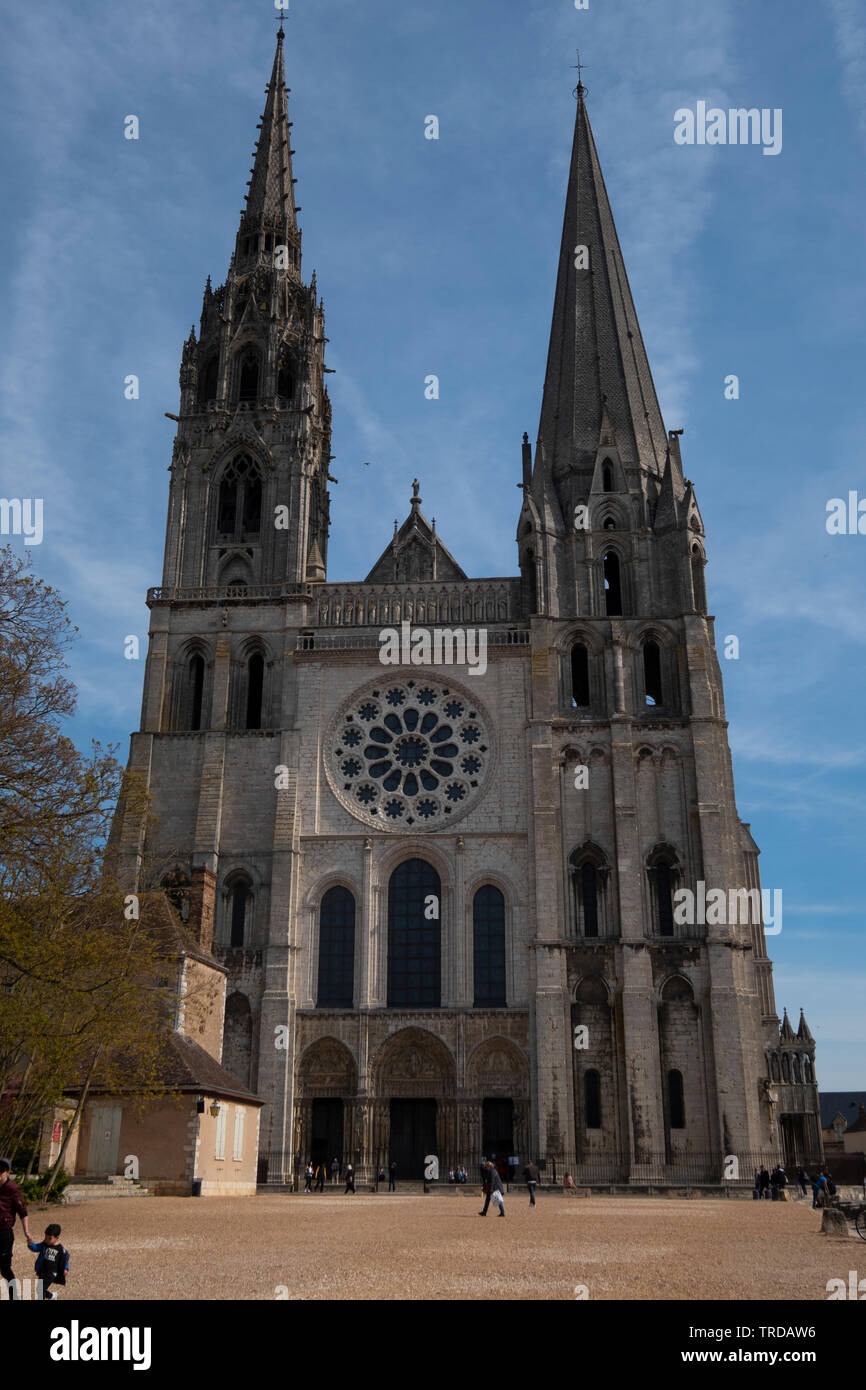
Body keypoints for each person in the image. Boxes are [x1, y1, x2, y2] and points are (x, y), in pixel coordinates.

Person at [0, 1157, 33, 1301]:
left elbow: (23, 1212)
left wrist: (27, 1232)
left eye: (0, 1171)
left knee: (5, 1269)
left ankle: (15, 1296)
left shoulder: (12, 1189)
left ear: (7, 1172)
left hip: (4, 1234)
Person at [28, 1223, 70, 1301]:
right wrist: (30, 1243)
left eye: (49, 1238)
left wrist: (66, 1268)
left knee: (41, 1289)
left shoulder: (61, 1249)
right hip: (42, 1271)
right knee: (39, 1289)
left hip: (51, 1273)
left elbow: (65, 1259)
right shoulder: (44, 1244)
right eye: (45, 1238)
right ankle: (52, 1296)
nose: (46, 1240)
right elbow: (36, 1248)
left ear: (57, 1238)